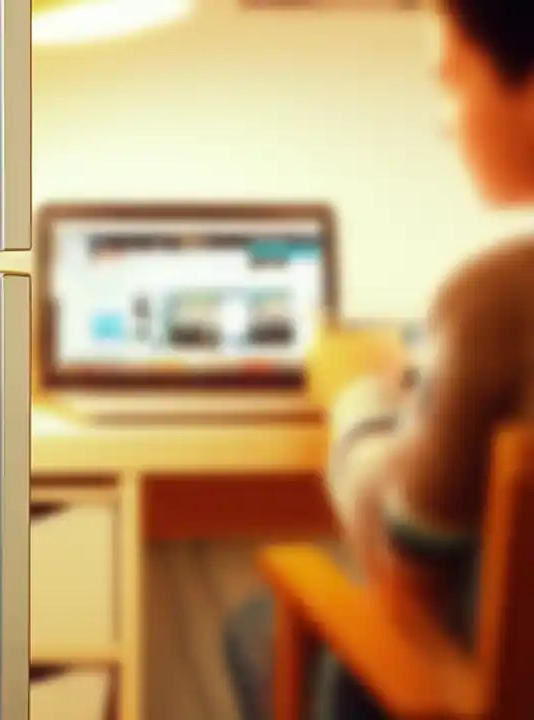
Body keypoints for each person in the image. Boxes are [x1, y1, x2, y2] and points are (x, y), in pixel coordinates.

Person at [224, 1, 534, 718]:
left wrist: (354, 393)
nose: (444, 118)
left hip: (476, 697)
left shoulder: (502, 300)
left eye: (451, 80)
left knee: (258, 626)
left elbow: (402, 570)